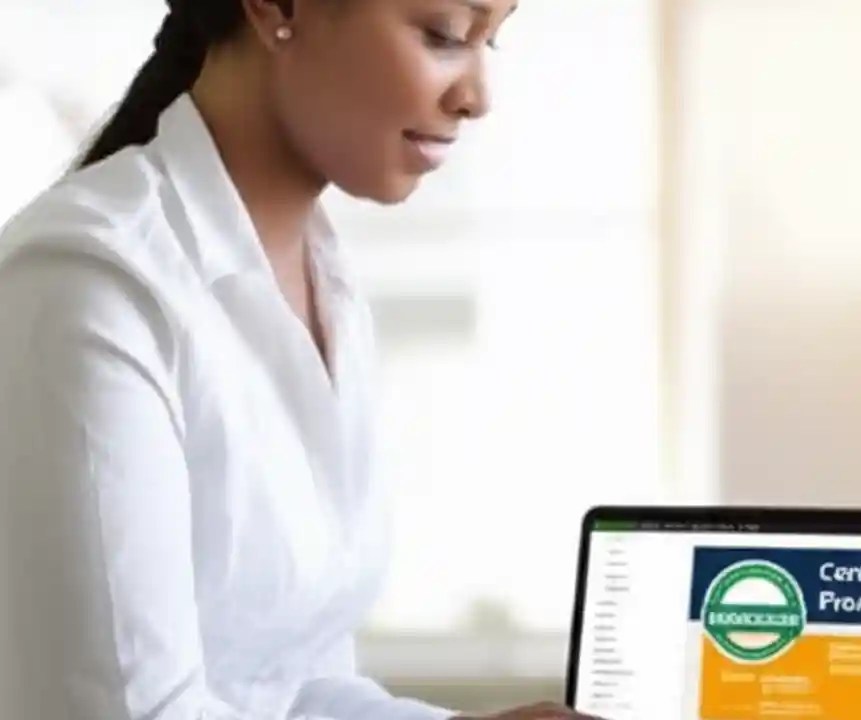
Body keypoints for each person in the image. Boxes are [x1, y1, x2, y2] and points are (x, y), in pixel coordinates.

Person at [0, 1, 602, 719]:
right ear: (278, 8)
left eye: (490, 42)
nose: (475, 96)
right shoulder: (93, 288)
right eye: (444, 35)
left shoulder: (327, 286)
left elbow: (295, 687)